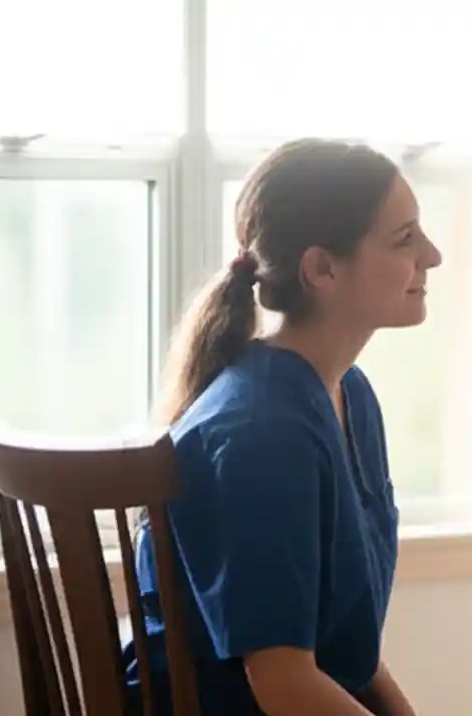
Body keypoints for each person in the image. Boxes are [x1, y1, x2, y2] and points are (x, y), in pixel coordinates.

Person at [123, 138, 442, 715]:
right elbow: (286, 687)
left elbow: (351, 652)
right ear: (322, 268)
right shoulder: (261, 434)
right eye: (405, 238)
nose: (433, 255)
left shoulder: (351, 396)